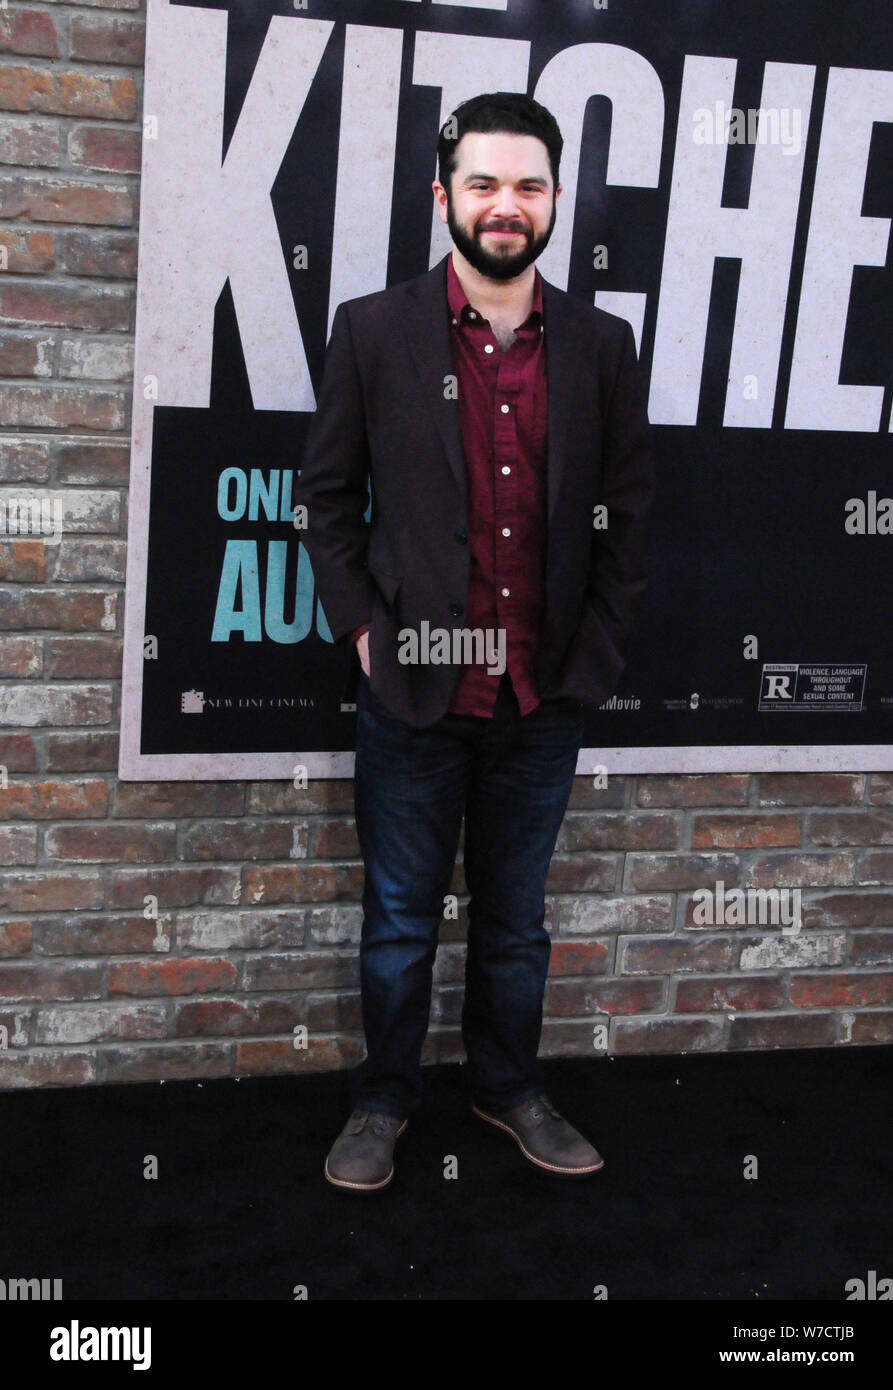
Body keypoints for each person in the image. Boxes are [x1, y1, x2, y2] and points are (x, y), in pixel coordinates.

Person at [293, 91, 655, 1192]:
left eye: (530, 186)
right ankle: (382, 1099)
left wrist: (590, 655)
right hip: (411, 697)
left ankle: (507, 1086)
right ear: (443, 196)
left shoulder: (600, 344)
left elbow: (627, 516)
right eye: (486, 184)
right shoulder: (373, 330)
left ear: (556, 202)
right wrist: (362, 630)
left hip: (541, 702)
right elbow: (325, 496)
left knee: (515, 925)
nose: (508, 207)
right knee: (400, 920)